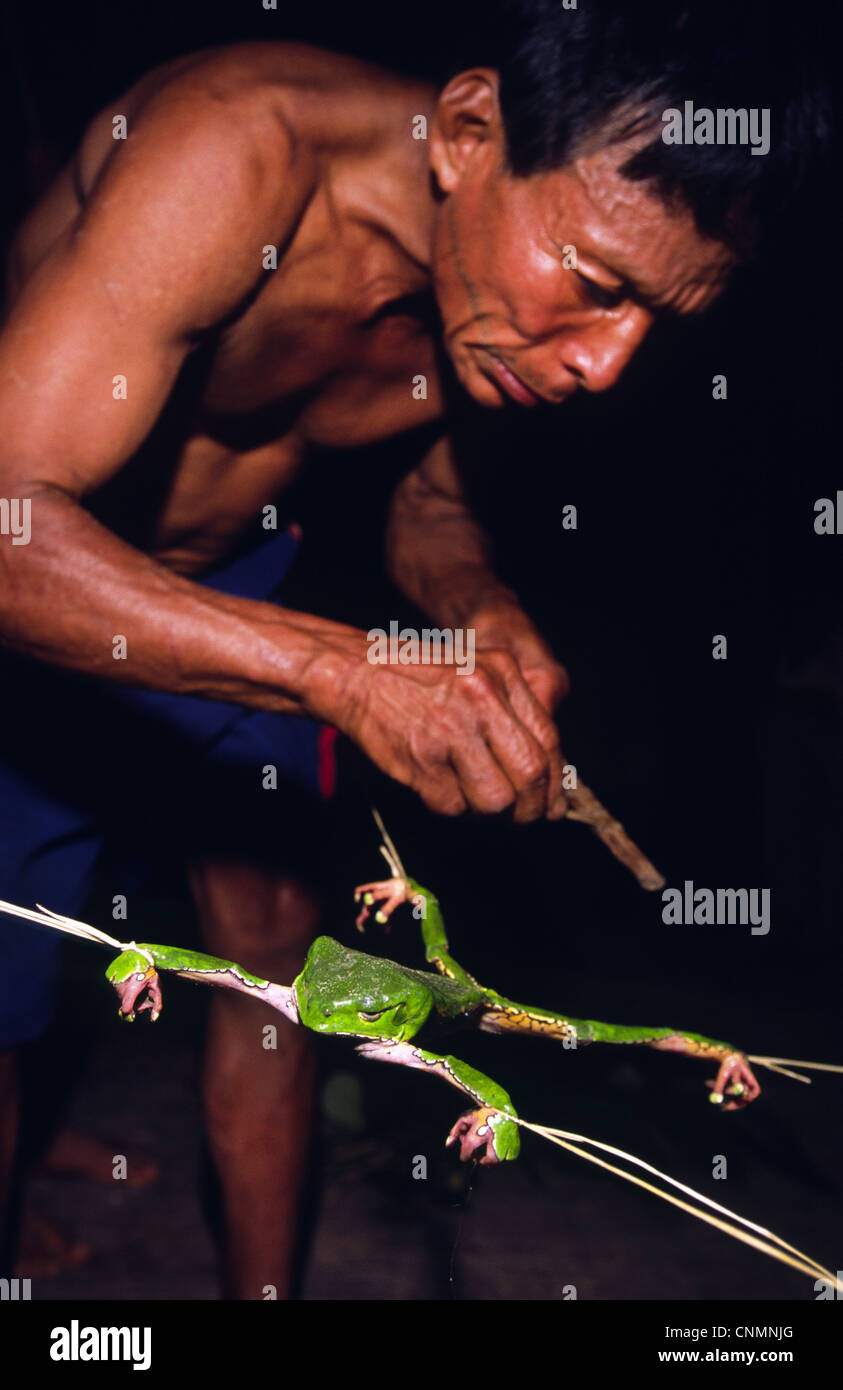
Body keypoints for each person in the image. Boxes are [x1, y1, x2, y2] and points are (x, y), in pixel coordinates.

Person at [0, 1, 826, 1297]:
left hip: (242, 576)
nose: (609, 363)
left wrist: (484, 611)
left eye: (659, 321)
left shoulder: (494, 293)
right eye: (600, 287)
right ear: (469, 131)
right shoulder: (235, 156)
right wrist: (344, 670)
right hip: (46, 571)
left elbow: (430, 505)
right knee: (6, 995)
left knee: (279, 966)